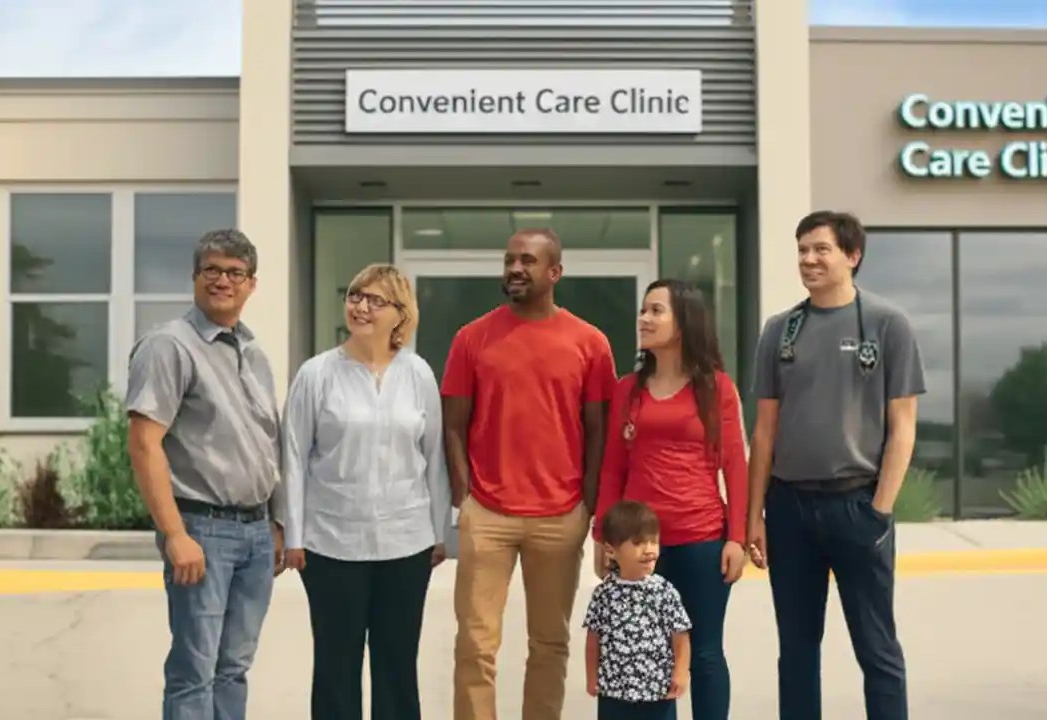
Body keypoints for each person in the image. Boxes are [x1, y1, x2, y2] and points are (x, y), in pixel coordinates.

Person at [746, 210, 925, 720]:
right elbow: (764, 431)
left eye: (821, 249)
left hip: (857, 506)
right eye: (802, 249)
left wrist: (880, 510)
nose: (808, 259)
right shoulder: (780, 330)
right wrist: (754, 514)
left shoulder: (888, 324)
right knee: (797, 653)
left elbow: (903, 425)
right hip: (789, 509)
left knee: (877, 649)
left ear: (852, 256)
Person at [442, 227, 617, 720]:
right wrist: (464, 498)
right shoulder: (471, 338)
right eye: (509, 260)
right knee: (475, 645)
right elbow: (453, 424)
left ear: (554, 272)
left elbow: (598, 429)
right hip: (488, 514)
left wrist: (587, 503)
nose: (515, 269)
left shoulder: (590, 343)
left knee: (549, 643)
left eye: (528, 261)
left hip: (560, 516)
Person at [125, 228, 285, 720]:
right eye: (211, 270)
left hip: (256, 534)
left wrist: (275, 523)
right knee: (195, 670)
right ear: (195, 278)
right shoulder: (169, 346)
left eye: (235, 273)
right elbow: (144, 442)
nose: (223, 280)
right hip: (202, 531)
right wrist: (175, 534)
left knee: (233, 667)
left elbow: (265, 442)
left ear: (251, 284)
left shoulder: (253, 353)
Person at [279, 264, 449, 720]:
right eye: (356, 295)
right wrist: (293, 535)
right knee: (336, 666)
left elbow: (433, 457)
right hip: (331, 545)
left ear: (400, 314)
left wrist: (439, 532)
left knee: (397, 665)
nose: (361, 306)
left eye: (376, 300)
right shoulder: (316, 374)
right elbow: (292, 457)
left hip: (406, 543)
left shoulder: (418, 374)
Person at [592, 278, 748, 720]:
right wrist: (603, 535)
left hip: (700, 541)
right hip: (636, 546)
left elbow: (735, 468)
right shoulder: (627, 389)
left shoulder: (717, 388)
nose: (644, 318)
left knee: (703, 654)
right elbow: (612, 469)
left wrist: (735, 537)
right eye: (643, 310)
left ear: (684, 322)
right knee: (642, 652)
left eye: (656, 311)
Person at [585, 500, 692, 720]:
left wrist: (680, 672)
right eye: (638, 543)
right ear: (610, 550)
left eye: (653, 542)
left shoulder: (664, 591)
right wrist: (591, 676)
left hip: (657, 690)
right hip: (614, 690)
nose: (649, 550)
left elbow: (680, 635)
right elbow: (593, 638)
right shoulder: (604, 594)